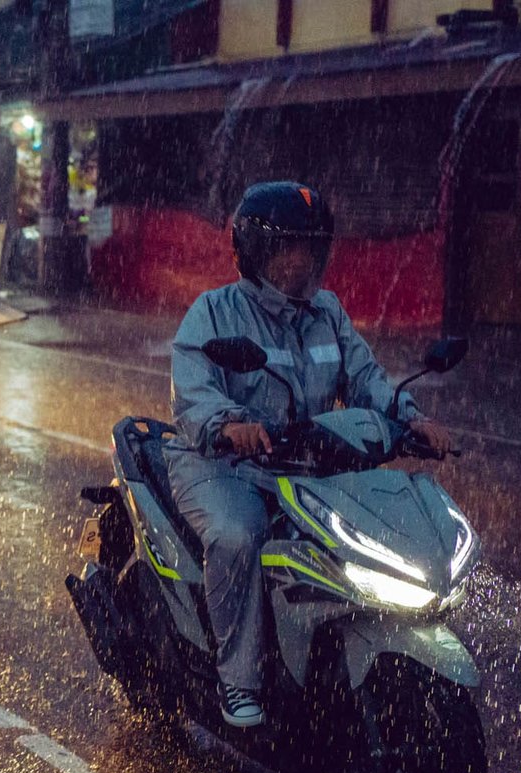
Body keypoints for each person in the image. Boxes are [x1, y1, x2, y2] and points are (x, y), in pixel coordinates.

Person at [166, 181, 453, 729]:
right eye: (292, 247)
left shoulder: (326, 312)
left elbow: (365, 376)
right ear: (256, 250)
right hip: (222, 464)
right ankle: (239, 681)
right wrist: (232, 427)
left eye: (313, 248)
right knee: (240, 534)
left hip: (304, 466)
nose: (305, 261)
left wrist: (411, 418)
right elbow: (194, 395)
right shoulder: (215, 312)